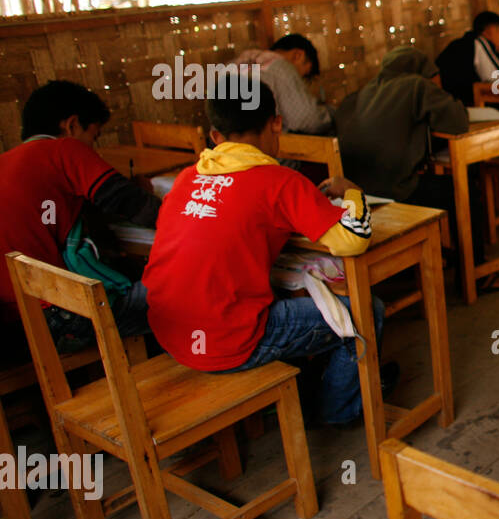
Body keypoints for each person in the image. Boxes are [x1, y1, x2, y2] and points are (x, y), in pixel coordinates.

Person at [142, 74, 384, 427]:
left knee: (288, 293)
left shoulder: (185, 179)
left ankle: (303, 393)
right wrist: (351, 192)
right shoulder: (279, 180)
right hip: (229, 342)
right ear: (277, 124)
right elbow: (353, 239)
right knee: (365, 311)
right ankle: (337, 412)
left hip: (170, 335)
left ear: (215, 137)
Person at [0, 81, 160, 357]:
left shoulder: (8, 162)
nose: (93, 149)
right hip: (61, 320)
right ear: (72, 126)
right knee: (182, 289)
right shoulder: (63, 150)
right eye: (94, 137)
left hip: (13, 331)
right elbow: (130, 202)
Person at [335, 46, 499, 293]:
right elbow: (457, 123)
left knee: (435, 183)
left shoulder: (361, 93)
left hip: (358, 195)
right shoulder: (416, 86)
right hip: (398, 191)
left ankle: (429, 261)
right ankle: (475, 274)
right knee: (464, 191)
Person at [236, 33, 334, 135]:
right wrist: (333, 113)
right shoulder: (281, 67)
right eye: (303, 76)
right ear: (298, 55)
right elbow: (309, 120)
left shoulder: (238, 63)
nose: (300, 83)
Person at [434, 11, 499, 108]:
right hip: (470, 106)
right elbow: (497, 77)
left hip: (449, 105)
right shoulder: (480, 43)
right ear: (489, 30)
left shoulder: (457, 44)